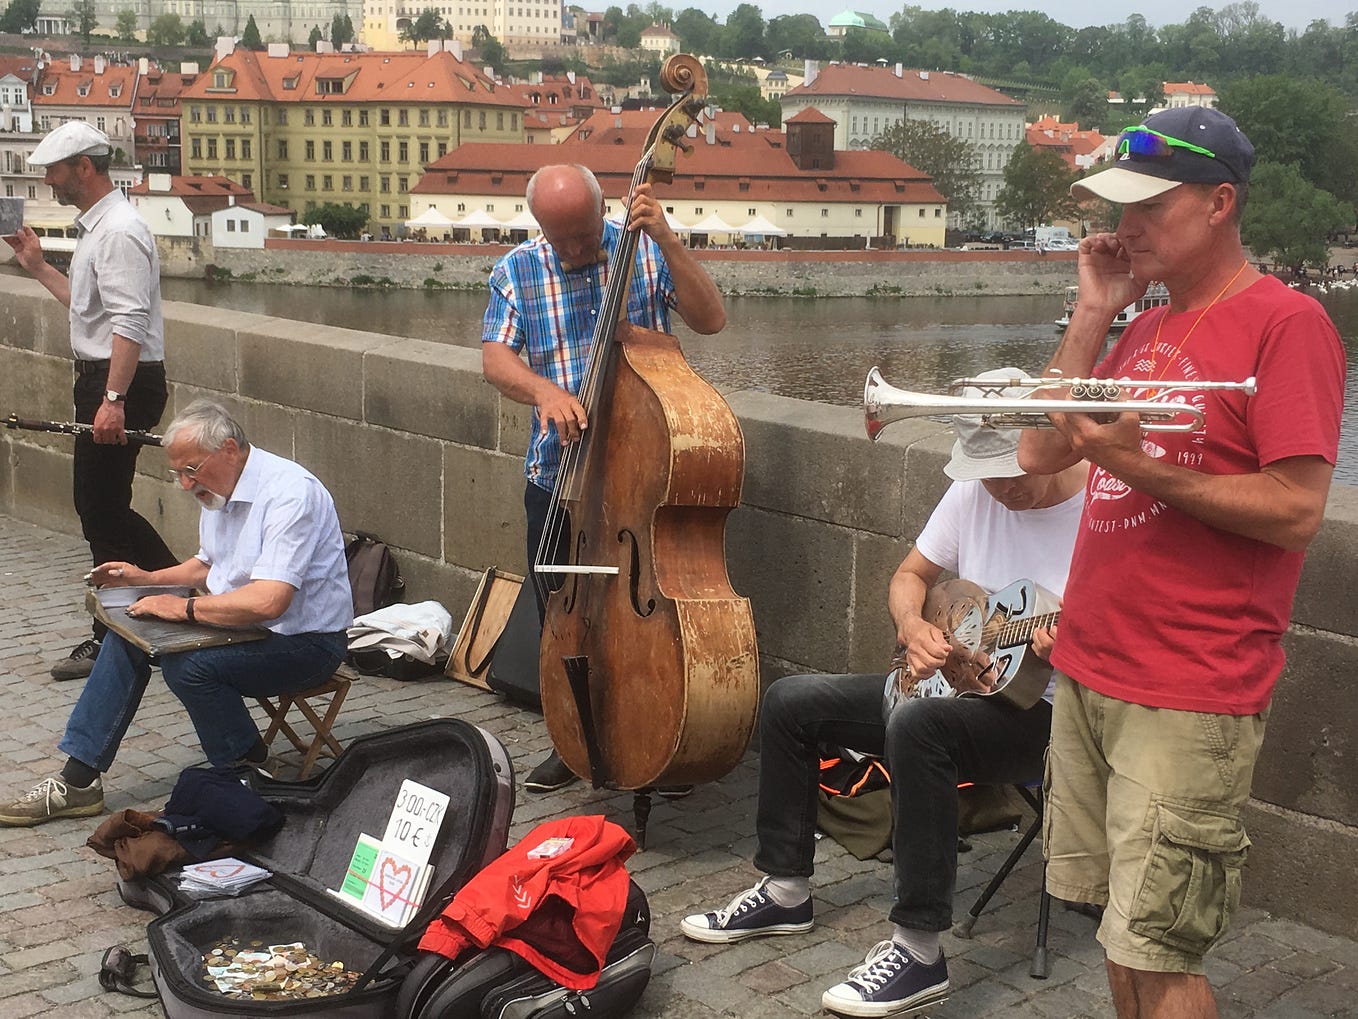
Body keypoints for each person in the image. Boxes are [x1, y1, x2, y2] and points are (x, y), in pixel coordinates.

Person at [1017, 106, 1344, 1019]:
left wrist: (1131, 461)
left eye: (1149, 208)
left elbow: (1296, 509)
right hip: (1091, 671)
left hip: (1187, 685)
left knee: (1160, 951)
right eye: (1119, 208)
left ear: (1220, 203)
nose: (1125, 228)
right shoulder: (1141, 330)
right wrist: (1090, 313)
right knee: (1120, 936)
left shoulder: (1289, 324)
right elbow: (1040, 453)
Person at [681, 380, 1088, 1018]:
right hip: (954, 691)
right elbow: (910, 576)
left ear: (1051, 444)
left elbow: (1140, 634)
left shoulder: (1100, 508)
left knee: (923, 726)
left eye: (1011, 474)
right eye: (987, 478)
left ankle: (919, 949)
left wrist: (1070, 647)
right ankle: (786, 890)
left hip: (1050, 713)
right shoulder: (970, 492)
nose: (1000, 490)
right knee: (791, 701)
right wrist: (914, 627)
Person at [480, 163, 726, 793]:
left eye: (584, 234)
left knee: (653, 616)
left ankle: (660, 732)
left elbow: (711, 319)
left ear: (601, 214)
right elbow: (495, 358)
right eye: (560, 239)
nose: (575, 250)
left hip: (644, 473)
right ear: (540, 226)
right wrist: (544, 391)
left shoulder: (639, 250)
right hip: (558, 471)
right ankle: (574, 740)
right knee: (562, 615)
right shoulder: (518, 269)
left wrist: (668, 239)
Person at [0, 400, 353, 827]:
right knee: (128, 635)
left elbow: (268, 602)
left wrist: (183, 608)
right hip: (248, 629)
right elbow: (208, 564)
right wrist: (145, 578)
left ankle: (248, 767)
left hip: (304, 643)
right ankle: (78, 781)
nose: (186, 485)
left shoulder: (290, 494)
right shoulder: (220, 485)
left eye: (192, 470)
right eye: (178, 473)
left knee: (189, 666)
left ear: (228, 449)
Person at [4, 121, 178, 682]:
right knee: (100, 504)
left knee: (99, 505)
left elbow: (128, 322)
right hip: (106, 379)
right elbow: (90, 316)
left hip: (120, 382)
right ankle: (165, 599)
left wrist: (113, 399)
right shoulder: (99, 227)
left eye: (55, 170)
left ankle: (136, 622)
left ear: (84, 167)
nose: (49, 180)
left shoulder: (120, 230)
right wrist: (35, 265)